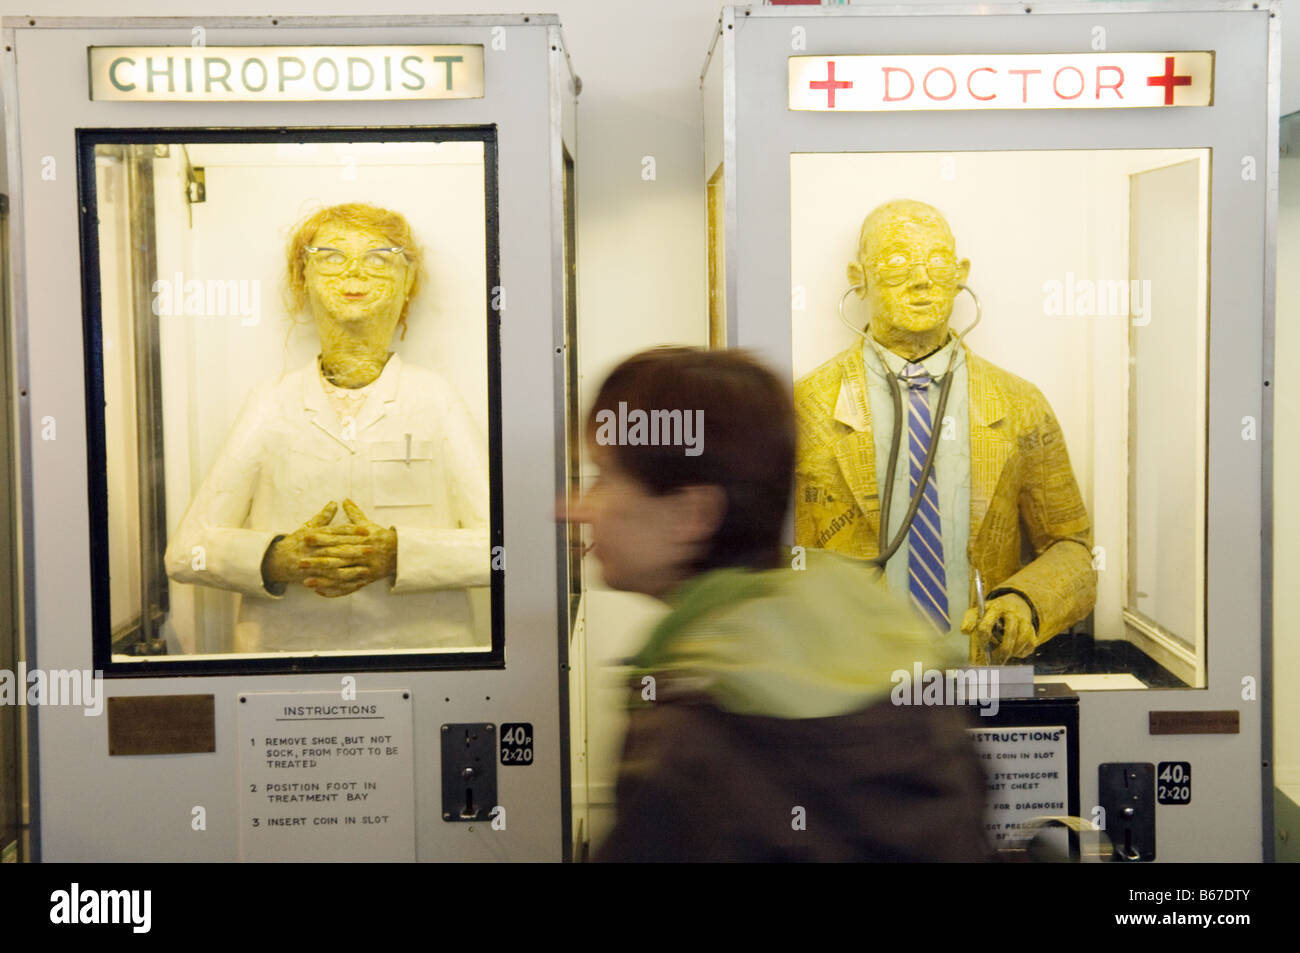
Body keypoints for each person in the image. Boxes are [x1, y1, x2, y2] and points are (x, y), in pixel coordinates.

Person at [578, 347, 990, 862]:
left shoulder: (690, 737)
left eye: (603, 477)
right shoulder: (901, 661)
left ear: (691, 514)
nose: (575, 508)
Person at [164, 202, 490, 653]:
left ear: (407, 279)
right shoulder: (271, 403)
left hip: (421, 658)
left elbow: (506, 550)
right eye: (331, 256)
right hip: (286, 665)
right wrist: (275, 558)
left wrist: (398, 554)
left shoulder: (436, 402)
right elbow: (186, 552)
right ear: (302, 278)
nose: (353, 271)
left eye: (379, 257)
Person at [795, 199, 1096, 664]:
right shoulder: (805, 409)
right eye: (897, 265)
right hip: (851, 682)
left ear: (960, 274)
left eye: (937, 263)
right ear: (859, 278)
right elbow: (763, 557)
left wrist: (1026, 602)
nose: (921, 279)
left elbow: (1071, 548)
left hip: (978, 678)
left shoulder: (1019, 403)